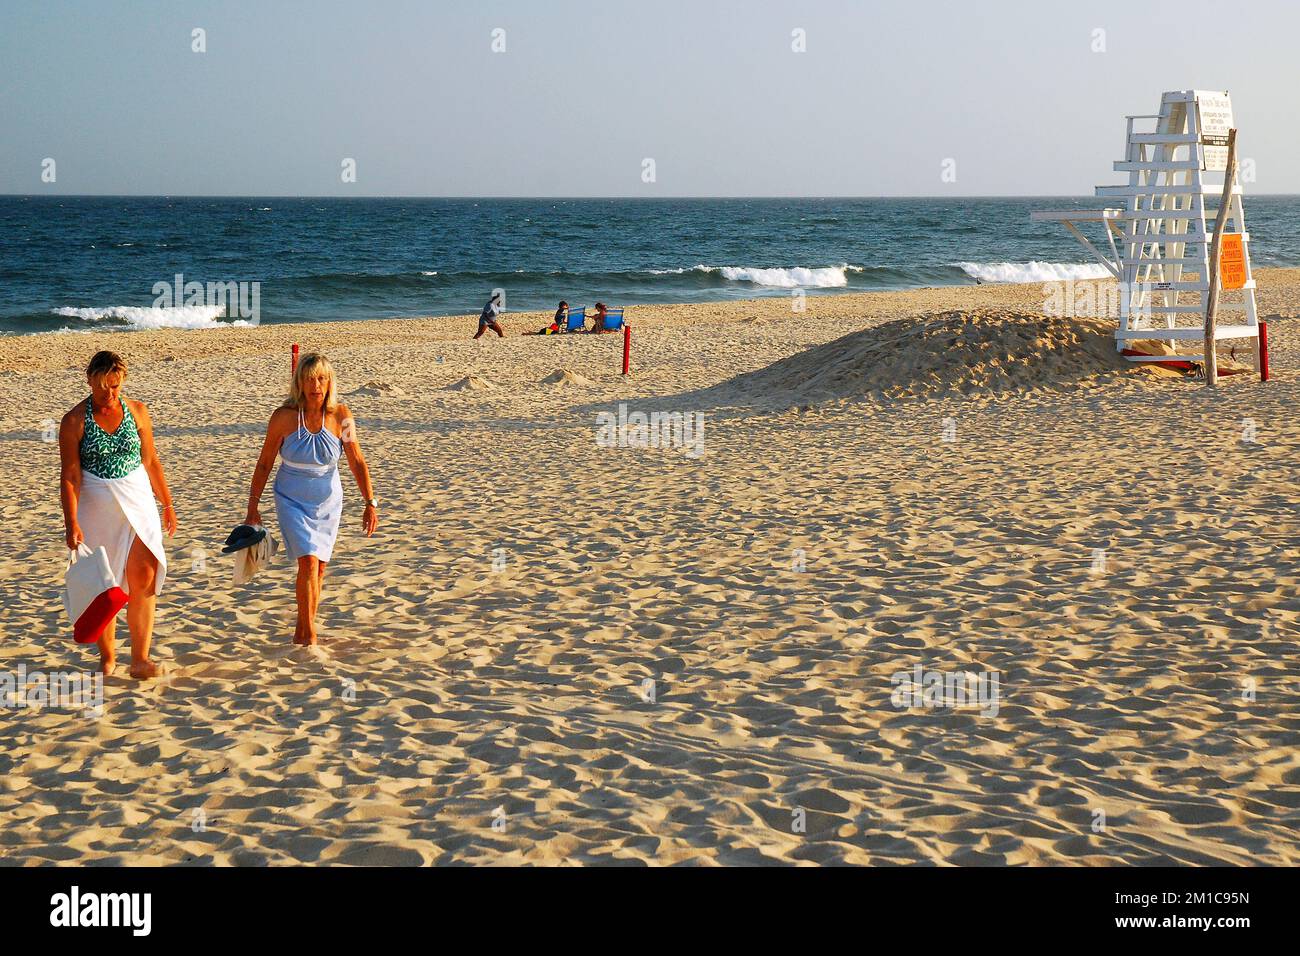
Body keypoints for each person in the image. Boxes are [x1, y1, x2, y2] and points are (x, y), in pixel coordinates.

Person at [243, 353, 378, 645]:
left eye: (321, 378)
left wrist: (370, 502)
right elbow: (265, 462)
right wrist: (253, 505)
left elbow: (357, 461)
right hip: (291, 497)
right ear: (299, 383)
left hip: (329, 500)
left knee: (320, 567)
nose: (316, 384)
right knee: (308, 560)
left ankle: (303, 628)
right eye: (309, 378)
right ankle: (309, 635)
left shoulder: (342, 415)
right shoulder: (283, 417)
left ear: (329, 382)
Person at [58, 351, 175, 678]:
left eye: (115, 385)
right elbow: (70, 476)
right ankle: (107, 658)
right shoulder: (74, 421)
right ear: (90, 380)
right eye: (103, 386)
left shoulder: (137, 411)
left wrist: (167, 503)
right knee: (105, 583)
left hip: (137, 498)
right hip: (97, 504)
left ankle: (139, 659)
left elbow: (151, 461)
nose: (110, 393)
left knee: (144, 575)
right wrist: (72, 522)